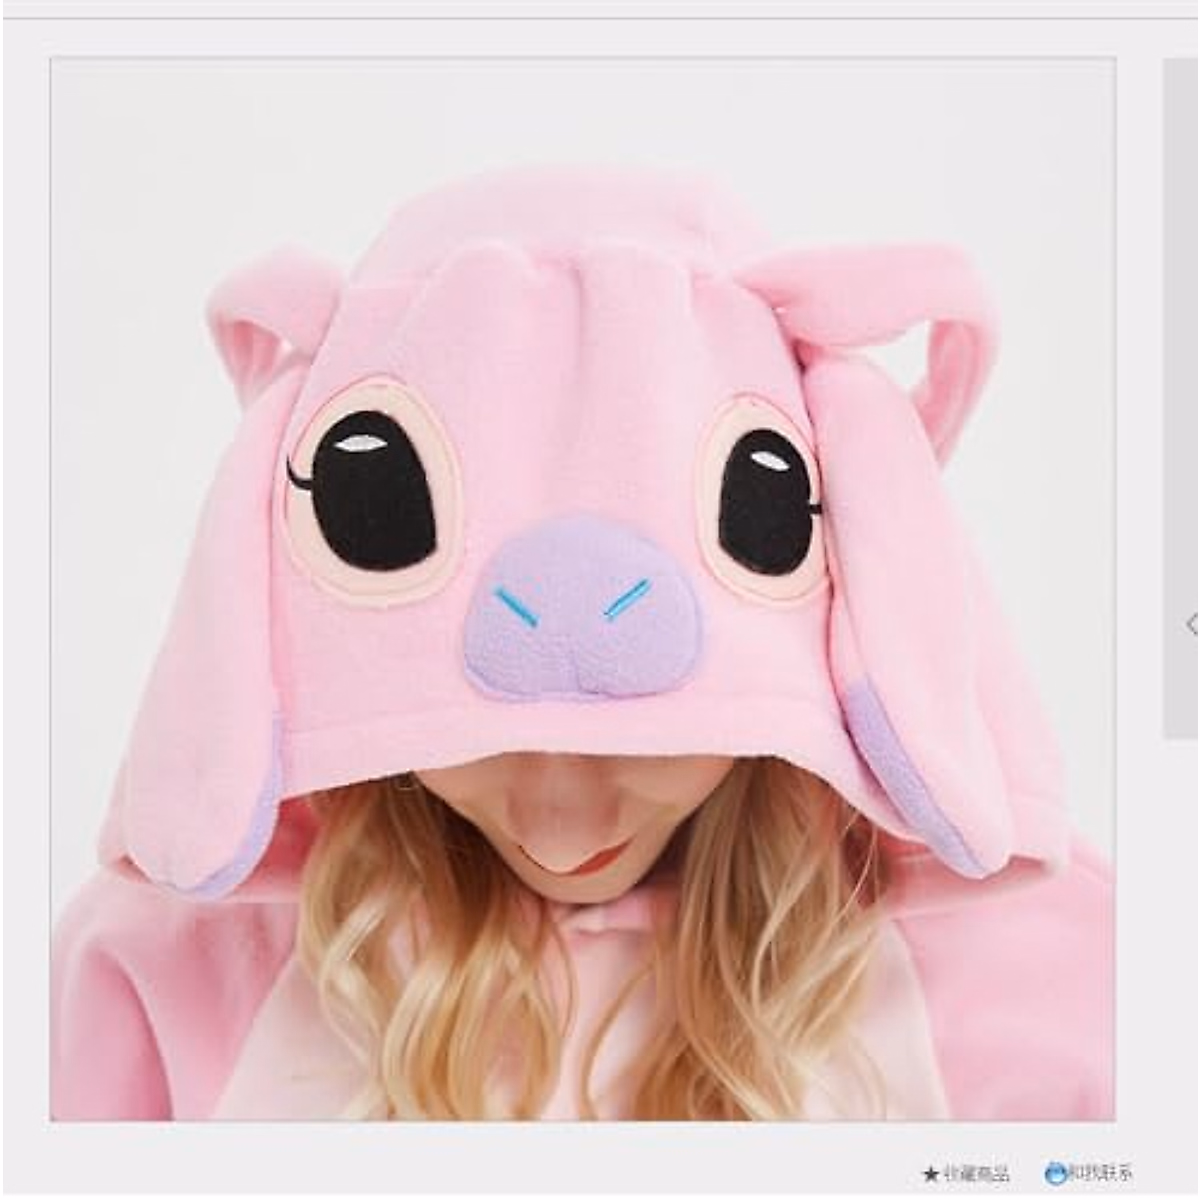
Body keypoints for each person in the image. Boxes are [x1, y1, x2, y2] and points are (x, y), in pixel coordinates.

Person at [50, 165, 1113, 1121]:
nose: (561, 827)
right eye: (471, 736)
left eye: (647, 736)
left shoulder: (1034, 978)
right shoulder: (166, 968)